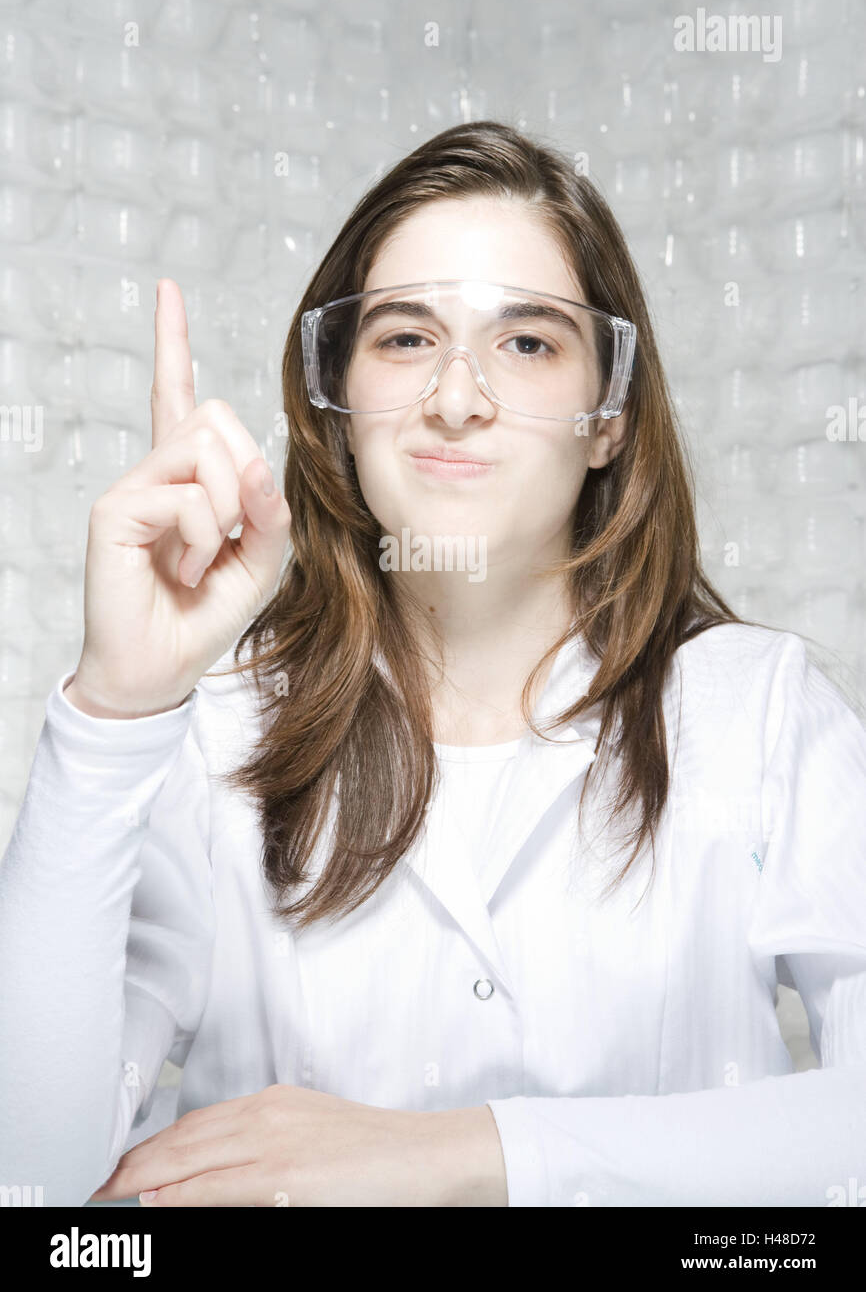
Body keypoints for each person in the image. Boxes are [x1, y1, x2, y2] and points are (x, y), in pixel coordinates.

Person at [1, 120, 864, 1209]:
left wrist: (471, 1154)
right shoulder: (209, 741)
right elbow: (28, 1186)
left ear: (606, 418)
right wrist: (115, 707)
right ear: (334, 401)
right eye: (406, 339)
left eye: (527, 342)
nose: (456, 398)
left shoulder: (759, 712)